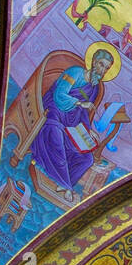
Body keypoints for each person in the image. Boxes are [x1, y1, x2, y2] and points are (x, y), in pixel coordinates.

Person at [29, 48, 115, 203]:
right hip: (54, 112)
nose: (103, 70)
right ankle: (66, 185)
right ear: (94, 62)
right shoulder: (75, 72)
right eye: (101, 64)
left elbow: (82, 114)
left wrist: (88, 131)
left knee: (87, 158)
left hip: (71, 123)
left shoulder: (94, 87)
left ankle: (63, 184)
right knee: (56, 137)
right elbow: (59, 95)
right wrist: (80, 103)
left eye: (106, 68)